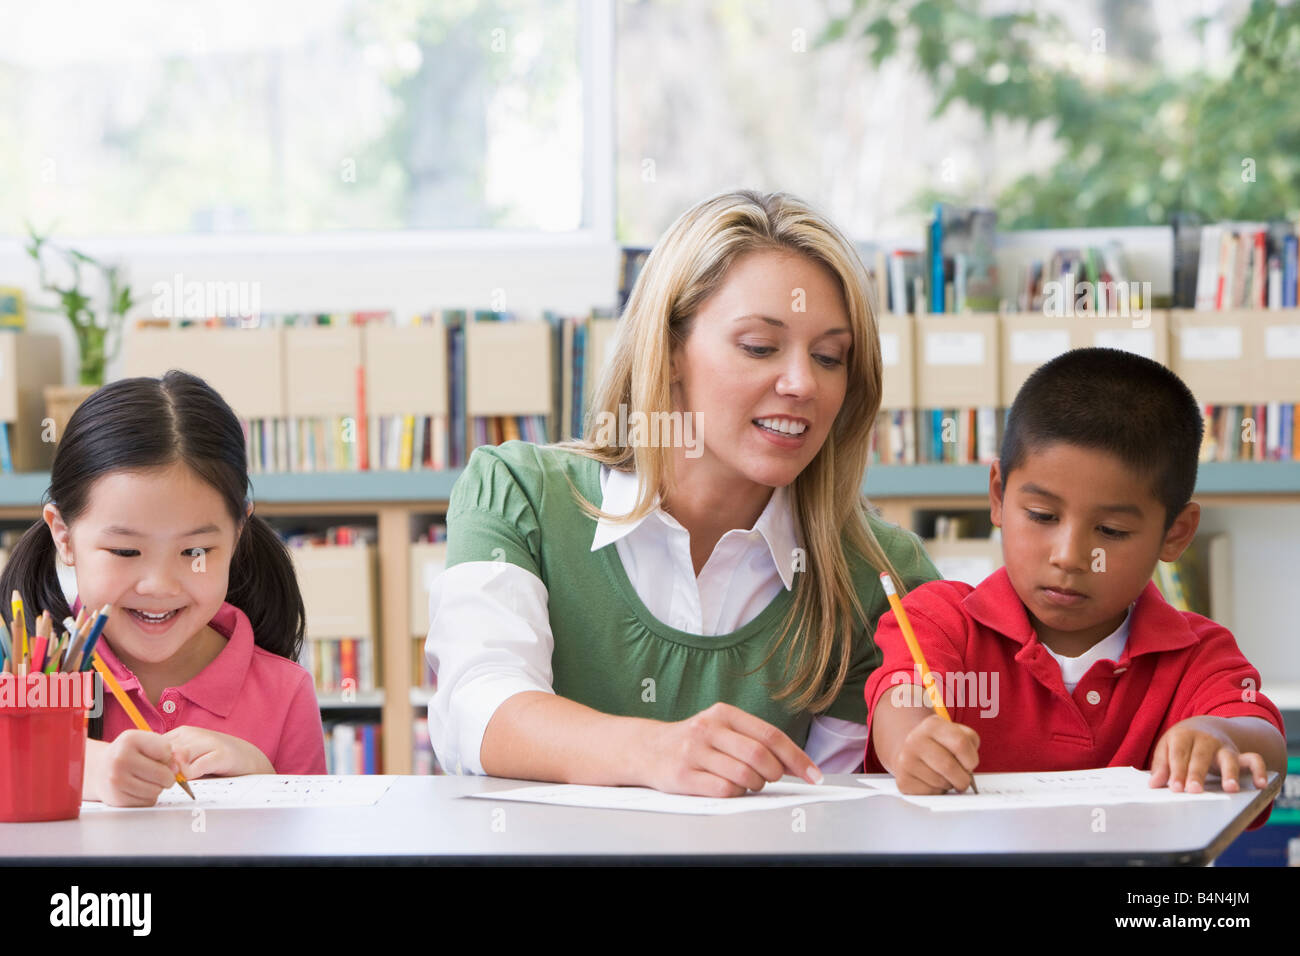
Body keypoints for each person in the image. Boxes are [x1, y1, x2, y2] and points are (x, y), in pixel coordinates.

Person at [426, 189, 940, 796]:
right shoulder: (518, 493)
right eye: (759, 347)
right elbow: (477, 705)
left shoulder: (878, 574)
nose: (803, 383)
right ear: (669, 350)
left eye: (829, 357)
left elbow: (836, 810)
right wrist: (654, 751)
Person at [865, 348, 1286, 816]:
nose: (1069, 556)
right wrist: (912, 744)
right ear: (999, 496)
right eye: (1042, 516)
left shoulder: (1196, 655)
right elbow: (900, 697)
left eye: (1111, 531)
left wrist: (1222, 735)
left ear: (1175, 534)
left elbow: (1264, 738)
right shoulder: (940, 620)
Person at [0, 370, 326, 806]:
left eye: (194, 550)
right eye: (124, 551)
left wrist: (266, 786)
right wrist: (82, 768)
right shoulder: (24, 673)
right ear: (63, 535)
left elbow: (312, 849)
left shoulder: (286, 692)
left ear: (238, 534)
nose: (158, 585)